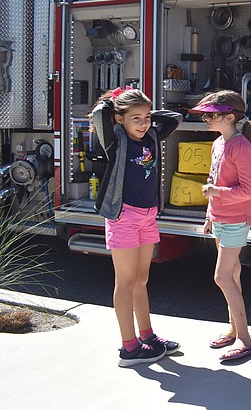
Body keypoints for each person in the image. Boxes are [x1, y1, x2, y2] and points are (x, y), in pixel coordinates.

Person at [89, 87, 183, 367]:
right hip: (124, 217)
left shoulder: (151, 135)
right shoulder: (116, 140)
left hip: (147, 216)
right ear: (119, 120)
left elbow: (175, 118)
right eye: (136, 119)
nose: (143, 124)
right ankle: (129, 347)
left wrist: (143, 112)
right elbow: (100, 113)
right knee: (125, 282)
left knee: (141, 280)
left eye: (147, 117)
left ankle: (147, 336)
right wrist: (116, 101)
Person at [190, 90, 251, 363]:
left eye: (212, 115)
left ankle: (245, 339)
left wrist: (215, 193)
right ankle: (235, 329)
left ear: (230, 117)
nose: (206, 119)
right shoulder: (219, 143)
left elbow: (248, 190)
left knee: (222, 277)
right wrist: (209, 215)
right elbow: (214, 178)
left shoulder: (239, 146)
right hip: (221, 217)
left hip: (235, 219)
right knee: (232, 273)